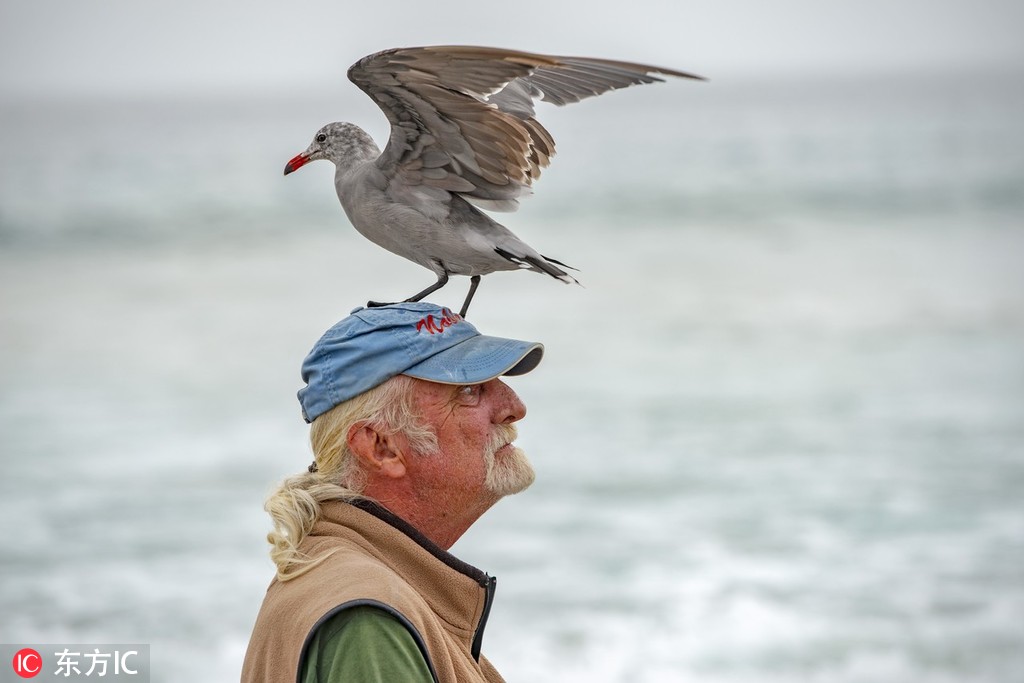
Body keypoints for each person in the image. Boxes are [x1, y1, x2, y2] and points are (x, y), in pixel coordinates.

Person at [241, 302, 544, 683]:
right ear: (381, 447)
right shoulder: (369, 621)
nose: (514, 407)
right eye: (469, 390)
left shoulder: (359, 584)